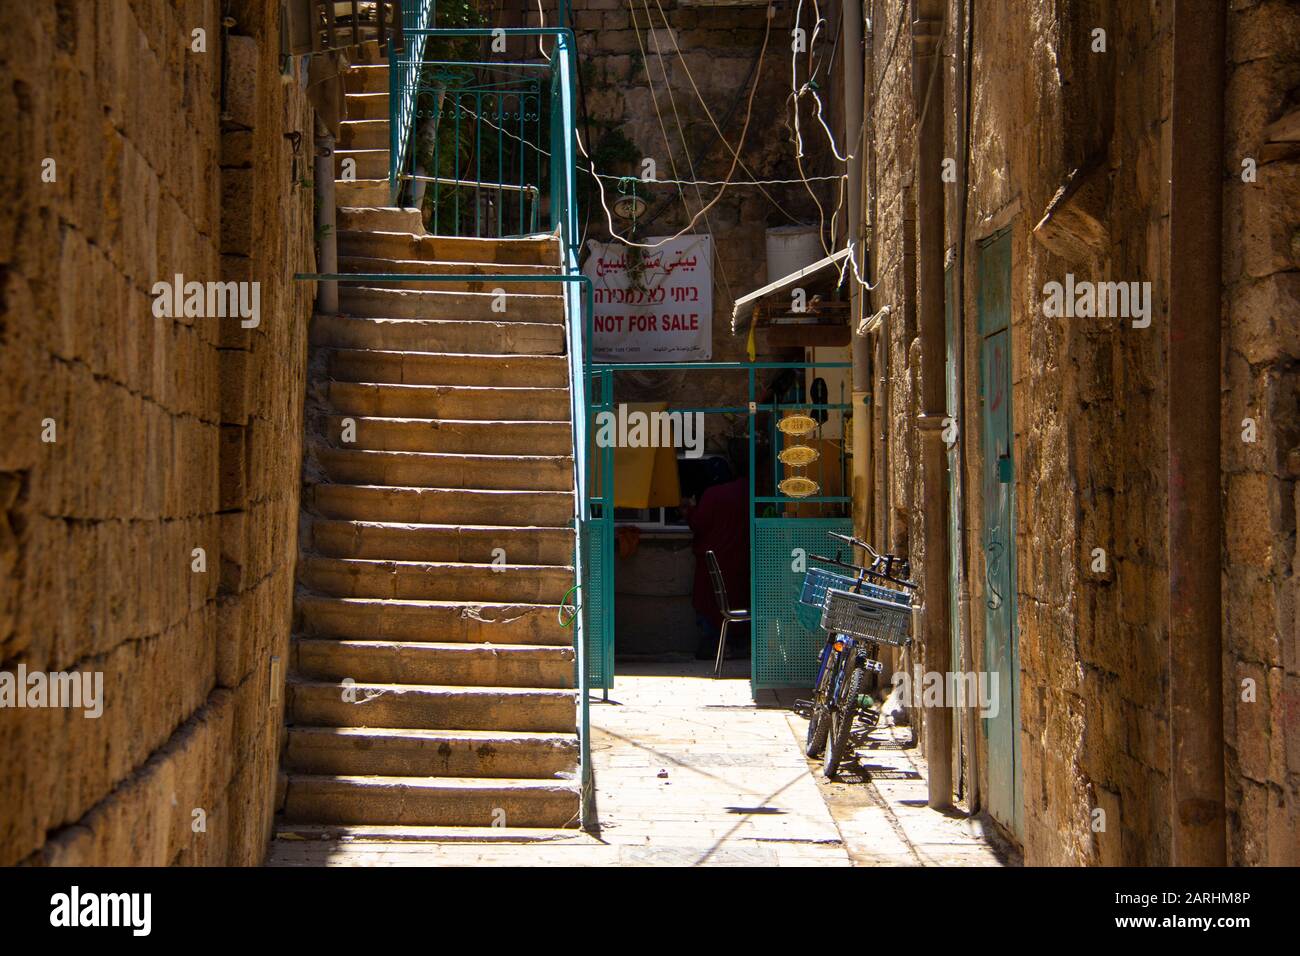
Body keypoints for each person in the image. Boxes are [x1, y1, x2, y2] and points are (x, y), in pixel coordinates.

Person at [686, 460, 750, 661]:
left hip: (712, 562)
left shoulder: (712, 495)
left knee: (709, 602)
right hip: (743, 559)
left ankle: (713, 646)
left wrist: (687, 510)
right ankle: (738, 645)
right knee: (740, 598)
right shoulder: (746, 490)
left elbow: (698, 523)